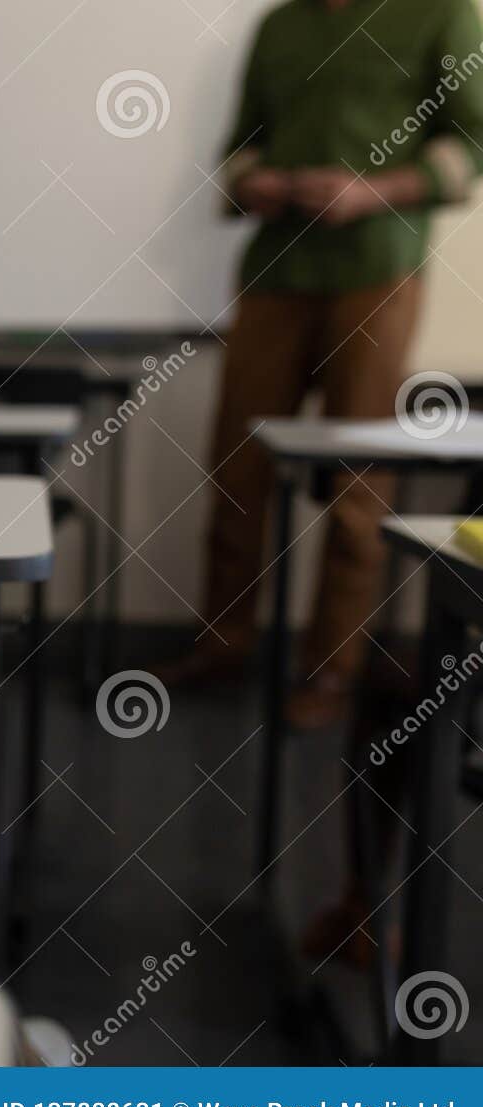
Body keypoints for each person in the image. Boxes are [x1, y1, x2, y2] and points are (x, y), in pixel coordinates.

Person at [157, 0, 483, 729]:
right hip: (275, 271)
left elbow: (473, 140)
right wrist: (256, 184)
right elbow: (240, 148)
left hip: (377, 270)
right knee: (236, 468)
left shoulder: (442, 14)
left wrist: (372, 192)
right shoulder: (281, 24)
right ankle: (223, 646)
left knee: (359, 485)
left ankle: (334, 674)